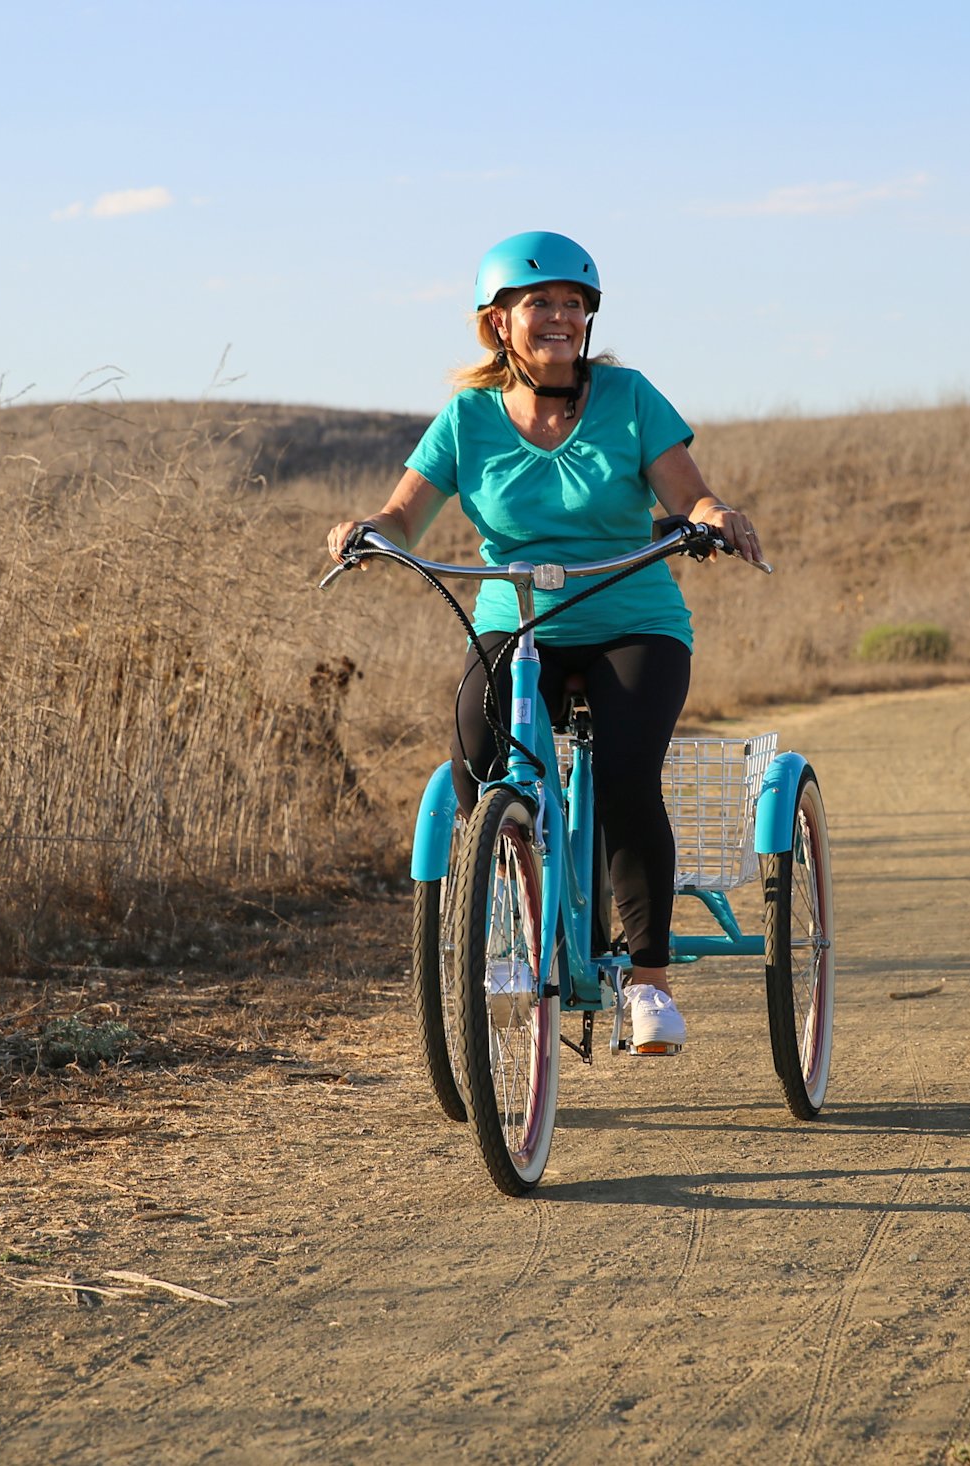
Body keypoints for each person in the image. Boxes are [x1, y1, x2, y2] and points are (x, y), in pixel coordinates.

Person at [327, 230, 763, 1051]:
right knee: (479, 763)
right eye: (540, 304)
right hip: (517, 621)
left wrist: (711, 520)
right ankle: (508, 931)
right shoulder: (467, 419)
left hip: (634, 619)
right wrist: (367, 531)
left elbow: (690, 494)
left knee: (631, 774)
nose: (560, 317)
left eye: (574, 304)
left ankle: (649, 982)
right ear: (498, 324)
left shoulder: (630, 399)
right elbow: (403, 513)